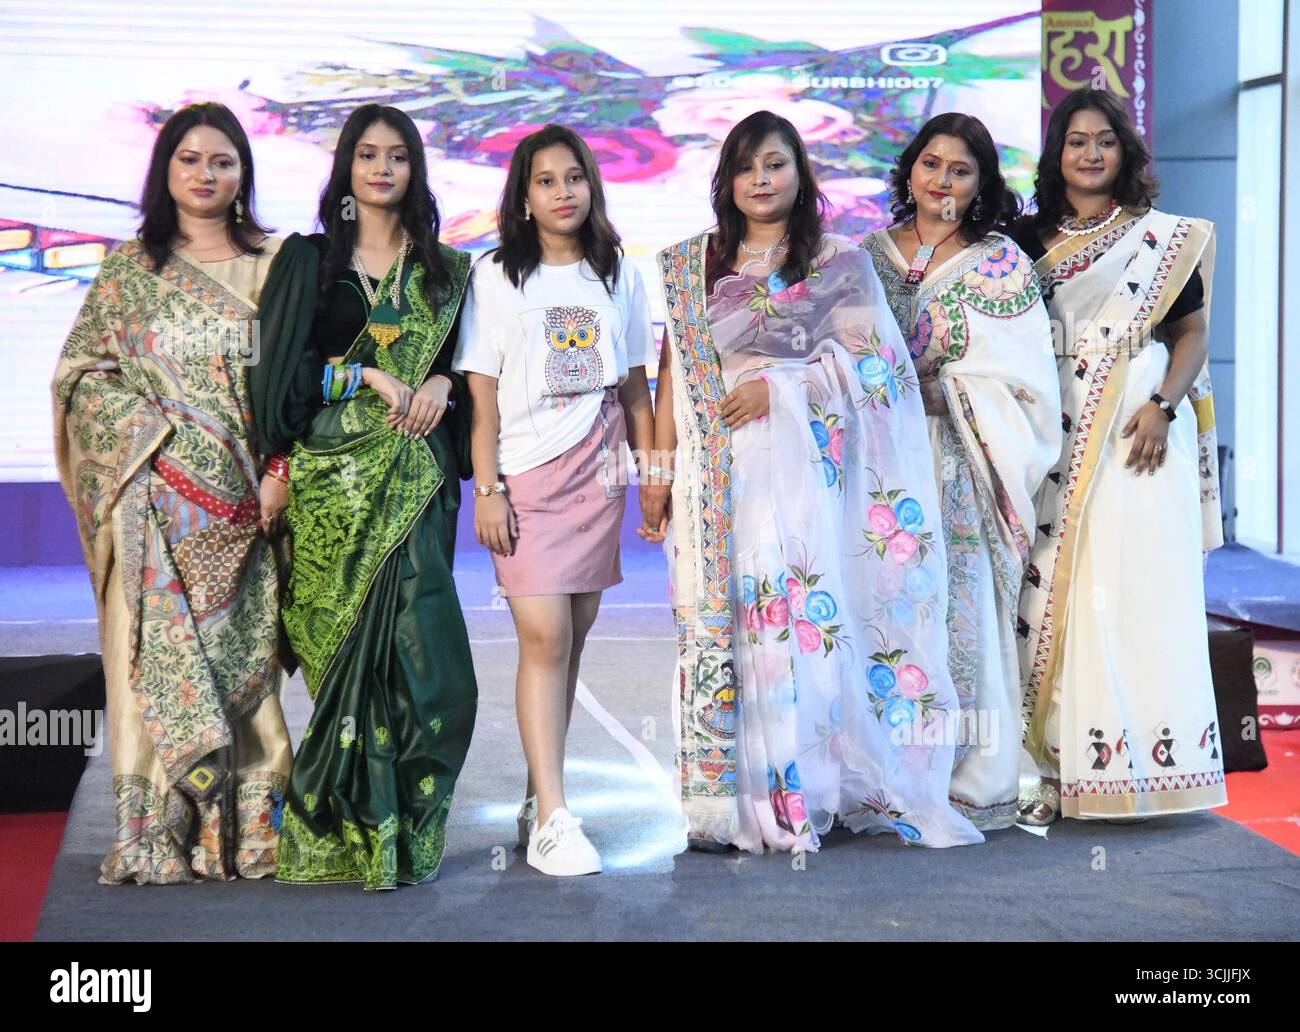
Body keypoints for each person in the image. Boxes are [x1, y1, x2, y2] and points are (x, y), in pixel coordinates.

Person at [642, 109, 983, 853]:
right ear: (725, 181)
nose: (760, 181)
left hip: (802, 485)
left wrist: (783, 390)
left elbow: (879, 371)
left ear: (801, 174)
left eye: (775, 164)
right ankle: (729, 801)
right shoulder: (690, 265)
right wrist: (657, 473)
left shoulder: (839, 262)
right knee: (725, 625)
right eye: (745, 167)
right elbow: (671, 374)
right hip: (714, 479)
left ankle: (807, 790)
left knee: (796, 625)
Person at [52, 102, 292, 883]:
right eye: (189, 160)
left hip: (247, 506)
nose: (206, 174)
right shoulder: (129, 270)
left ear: (243, 173)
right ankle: (155, 831)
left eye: (222, 161)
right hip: (152, 508)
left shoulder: (274, 265)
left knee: (243, 661)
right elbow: (83, 375)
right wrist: (153, 438)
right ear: (166, 170)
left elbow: (292, 385)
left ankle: (243, 828)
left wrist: (277, 472)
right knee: (155, 664)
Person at [251, 104, 477, 888]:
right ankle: (341, 833)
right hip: (329, 490)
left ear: (415, 170)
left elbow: (469, 374)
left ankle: (405, 827)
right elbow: (280, 378)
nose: (382, 169)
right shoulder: (308, 262)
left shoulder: (446, 272)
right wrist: (372, 375)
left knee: (430, 668)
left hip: (416, 486)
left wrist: (442, 381)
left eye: (398, 156)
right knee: (347, 662)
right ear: (345, 168)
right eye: (367, 155)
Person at [1010, 88, 1225, 823]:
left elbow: (1193, 333)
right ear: (1056, 153)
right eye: (1076, 141)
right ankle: (1049, 768)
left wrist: (1165, 405)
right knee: (1048, 592)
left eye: (1105, 140)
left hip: (1139, 434)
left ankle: (1134, 767)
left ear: (1124, 152)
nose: (1091, 153)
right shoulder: (1024, 239)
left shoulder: (1163, 239)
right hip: (1049, 435)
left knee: (1131, 586)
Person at [454, 124, 655, 877]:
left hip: (597, 474)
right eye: (546, 180)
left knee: (569, 639)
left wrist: (652, 477)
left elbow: (635, 385)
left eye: (575, 177)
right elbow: (482, 395)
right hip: (524, 481)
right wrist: (489, 489)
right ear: (524, 195)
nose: (563, 192)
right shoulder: (497, 274)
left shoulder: (616, 272)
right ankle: (555, 823)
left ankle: (546, 797)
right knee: (543, 638)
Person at [861, 113, 1061, 830]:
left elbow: (1031, 382)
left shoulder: (1002, 260)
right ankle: (880, 772)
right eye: (931, 164)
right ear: (909, 170)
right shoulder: (862, 257)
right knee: (877, 604)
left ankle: (966, 779)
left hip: (960, 465)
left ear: (981, 184)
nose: (942, 180)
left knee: (959, 608)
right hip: (877, 469)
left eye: (961, 169)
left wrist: (951, 391)